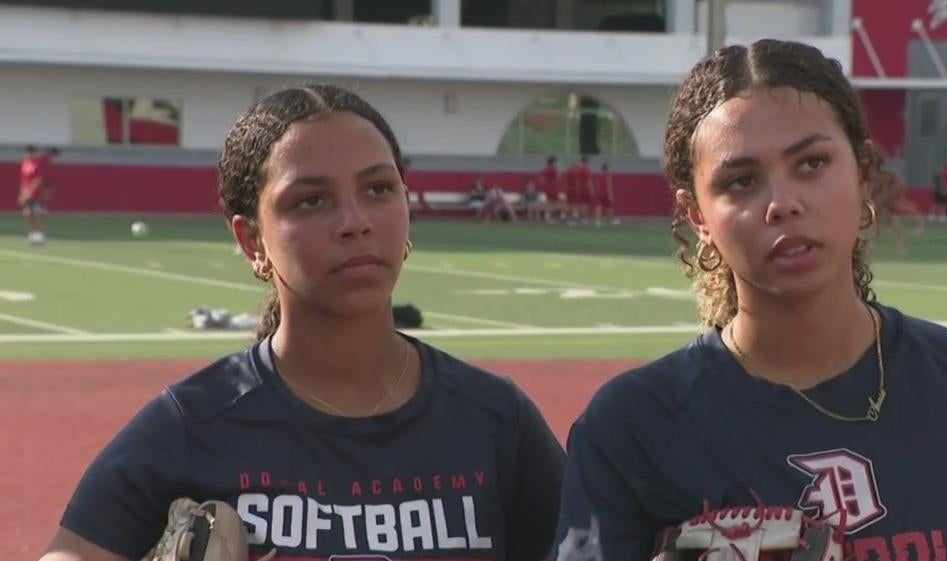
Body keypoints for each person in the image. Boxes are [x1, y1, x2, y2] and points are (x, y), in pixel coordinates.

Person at [41, 84, 564, 561]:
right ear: (252, 242)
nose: (355, 221)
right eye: (311, 200)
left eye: (378, 189)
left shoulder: (497, 423)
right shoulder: (191, 425)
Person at [553, 39, 947, 561]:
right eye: (741, 181)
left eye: (811, 163)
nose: (783, 203)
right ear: (697, 215)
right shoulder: (632, 427)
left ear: (860, 171)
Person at [17, 145, 45, 245]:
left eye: (29, 153)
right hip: (26, 194)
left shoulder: (36, 165)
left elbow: (38, 180)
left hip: (35, 194)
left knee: (36, 214)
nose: (27, 155)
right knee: (27, 214)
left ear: (33, 154)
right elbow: (23, 181)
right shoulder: (24, 164)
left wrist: (29, 191)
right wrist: (22, 193)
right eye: (26, 153)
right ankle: (32, 234)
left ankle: (39, 236)